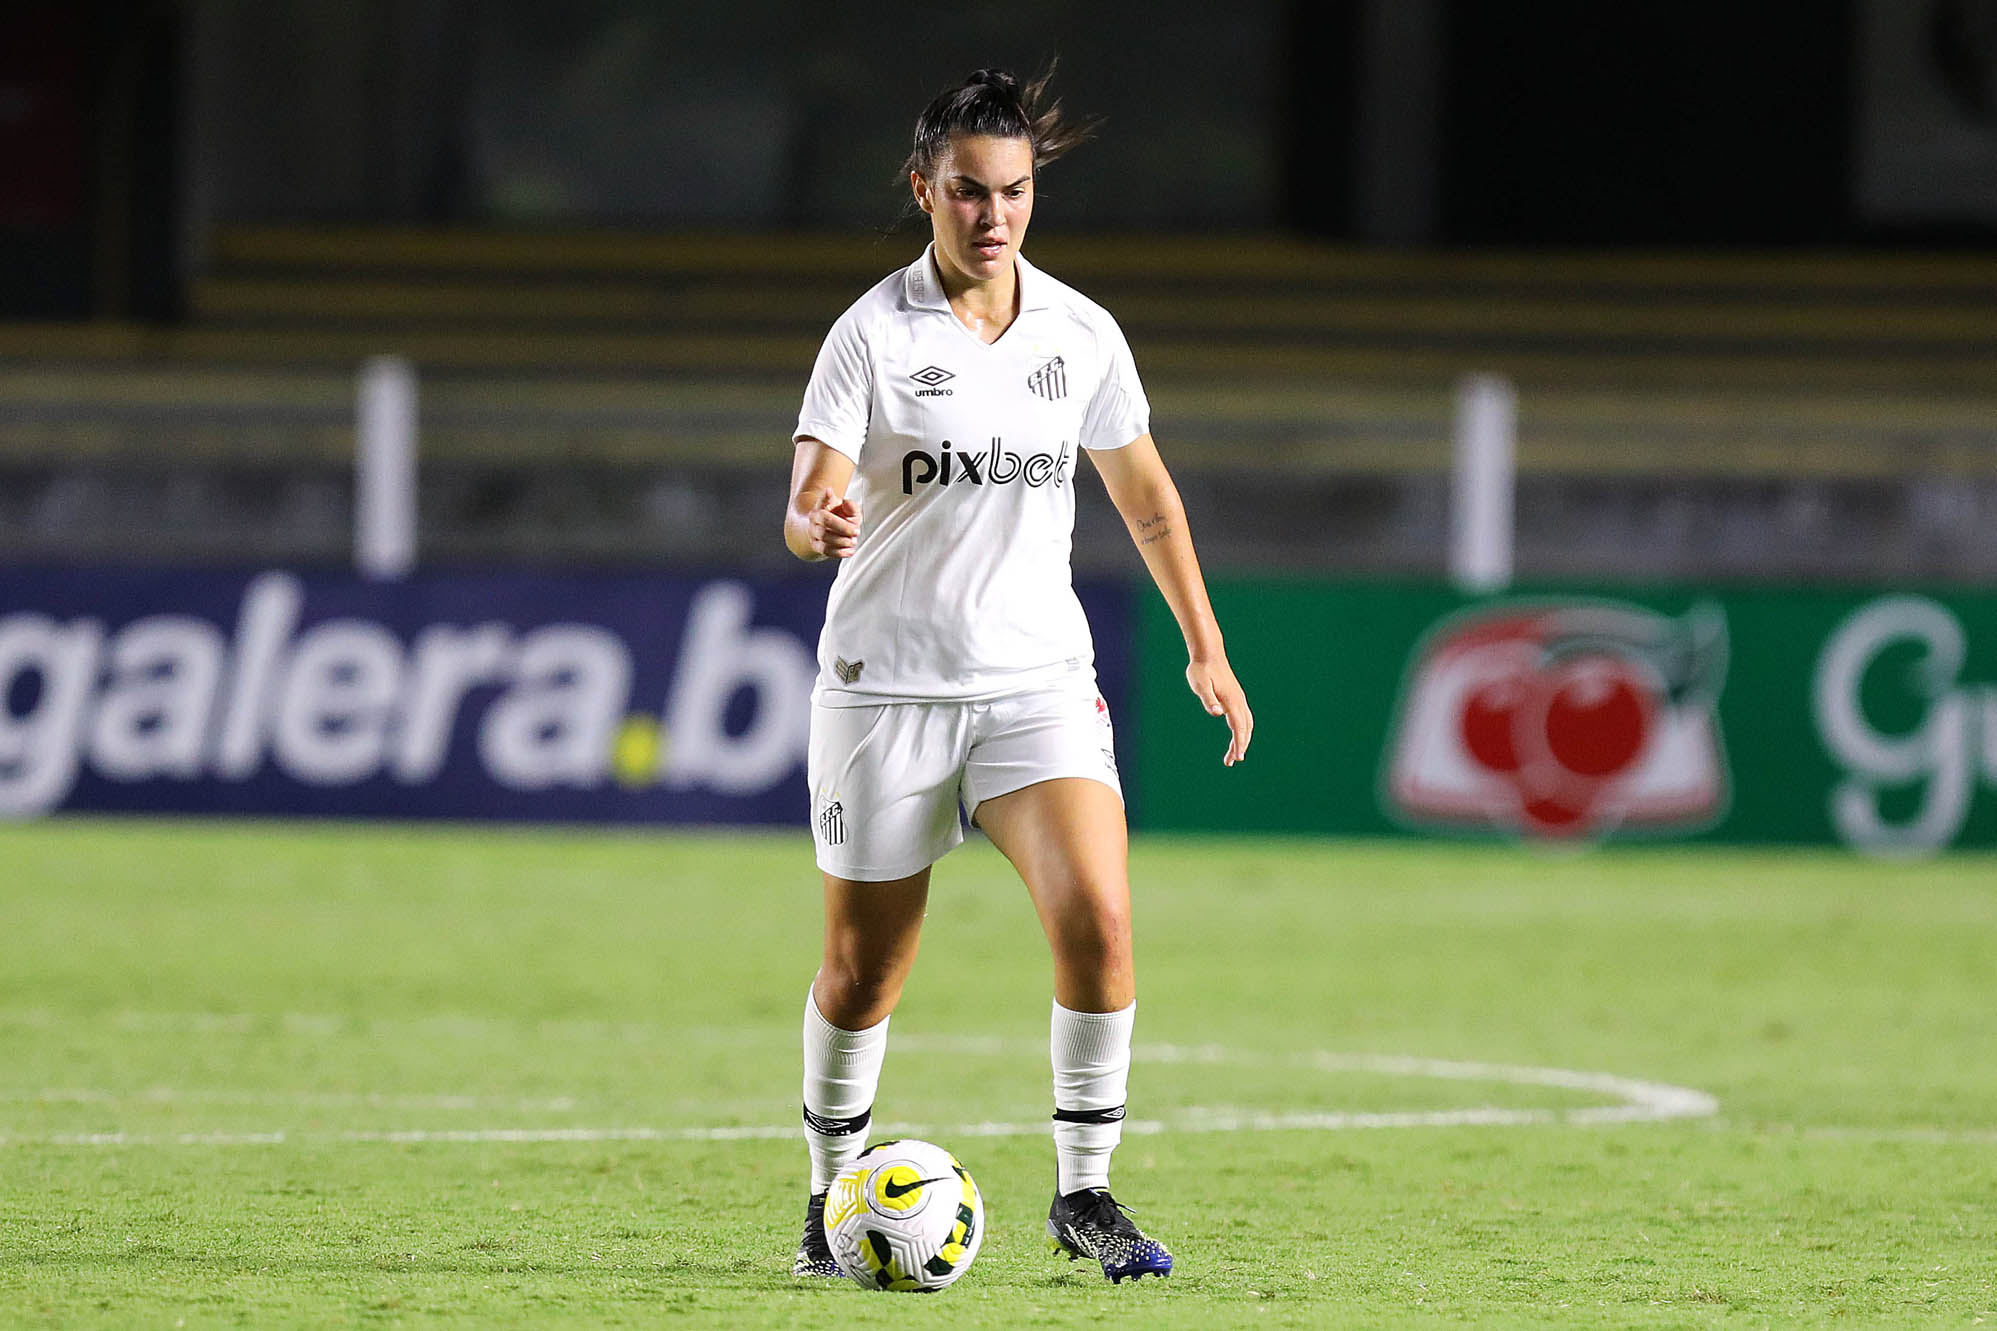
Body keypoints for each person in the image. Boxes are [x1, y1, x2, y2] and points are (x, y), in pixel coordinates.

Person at [783, 67, 1252, 1284]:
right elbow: (808, 493)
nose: (993, 218)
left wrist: (1204, 642)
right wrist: (815, 522)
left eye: (1015, 192)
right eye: (968, 193)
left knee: (1098, 919)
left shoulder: (1078, 332)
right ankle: (828, 1194)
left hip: (1034, 682)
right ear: (922, 189)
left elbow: (1146, 498)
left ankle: (1083, 1190)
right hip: (884, 689)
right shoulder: (871, 333)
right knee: (863, 970)